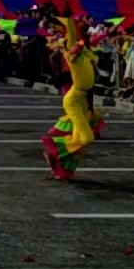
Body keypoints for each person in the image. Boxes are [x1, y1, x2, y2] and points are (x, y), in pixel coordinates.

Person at [41, 13, 103, 181]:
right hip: (74, 99)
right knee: (86, 137)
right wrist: (67, 18)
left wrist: (107, 34)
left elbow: (88, 43)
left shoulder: (83, 53)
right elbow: (74, 37)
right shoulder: (71, 54)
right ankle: (54, 150)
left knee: (79, 140)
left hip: (85, 100)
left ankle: (63, 170)